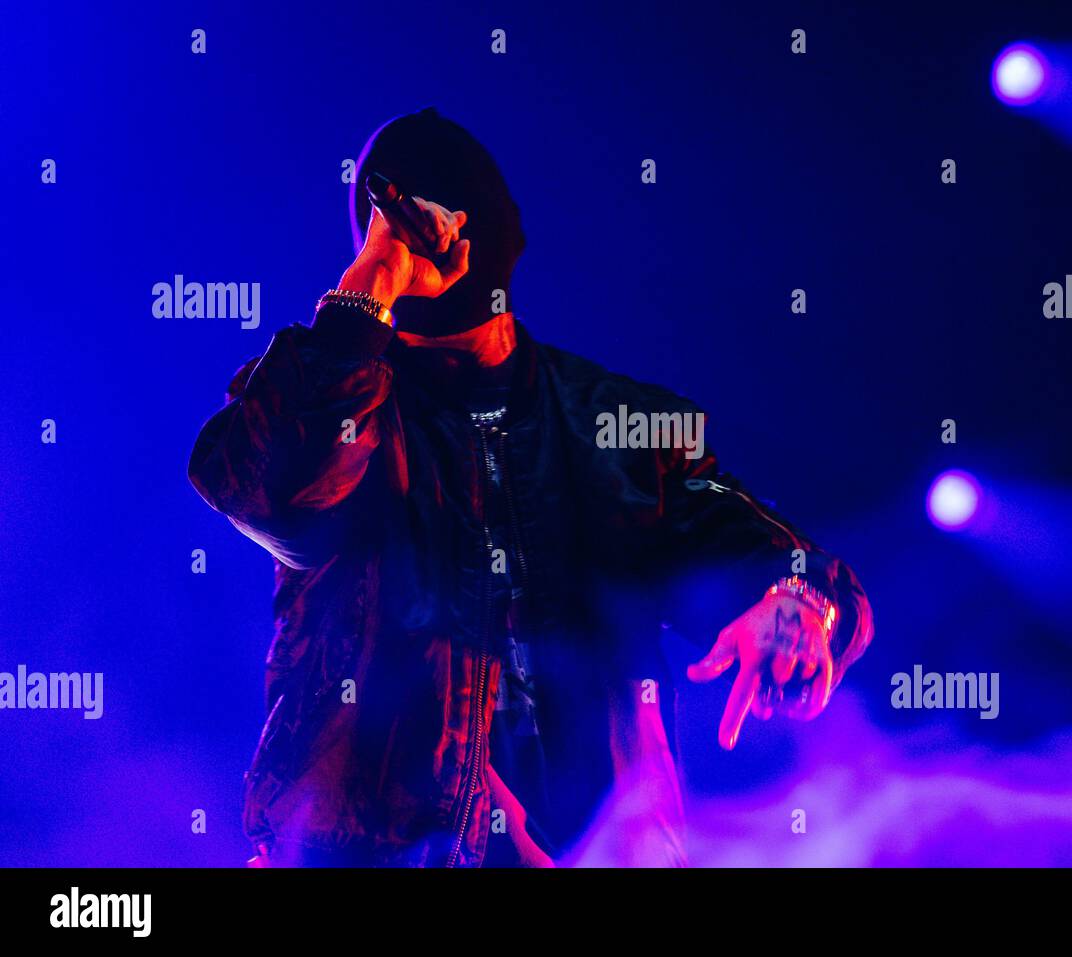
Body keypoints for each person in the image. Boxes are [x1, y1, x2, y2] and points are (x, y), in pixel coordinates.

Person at [188, 107, 873, 867]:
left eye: (418, 218)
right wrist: (367, 287)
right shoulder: (341, 401)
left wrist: (798, 602)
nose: (410, 240)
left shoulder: (617, 424)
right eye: (384, 223)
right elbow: (269, 490)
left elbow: (753, 541)